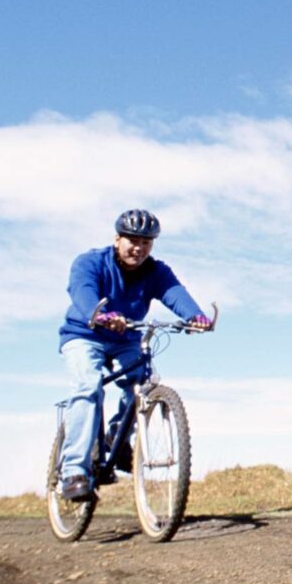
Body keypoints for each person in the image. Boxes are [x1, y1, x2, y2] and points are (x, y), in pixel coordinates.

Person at [55, 209, 212, 501]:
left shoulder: (155, 271)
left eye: (146, 242)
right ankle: (74, 471)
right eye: (132, 241)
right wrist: (99, 314)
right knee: (88, 387)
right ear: (117, 239)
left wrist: (196, 317)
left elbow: (174, 292)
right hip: (84, 335)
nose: (139, 248)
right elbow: (82, 290)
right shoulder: (89, 262)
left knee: (142, 382)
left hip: (127, 337)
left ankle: (117, 434)